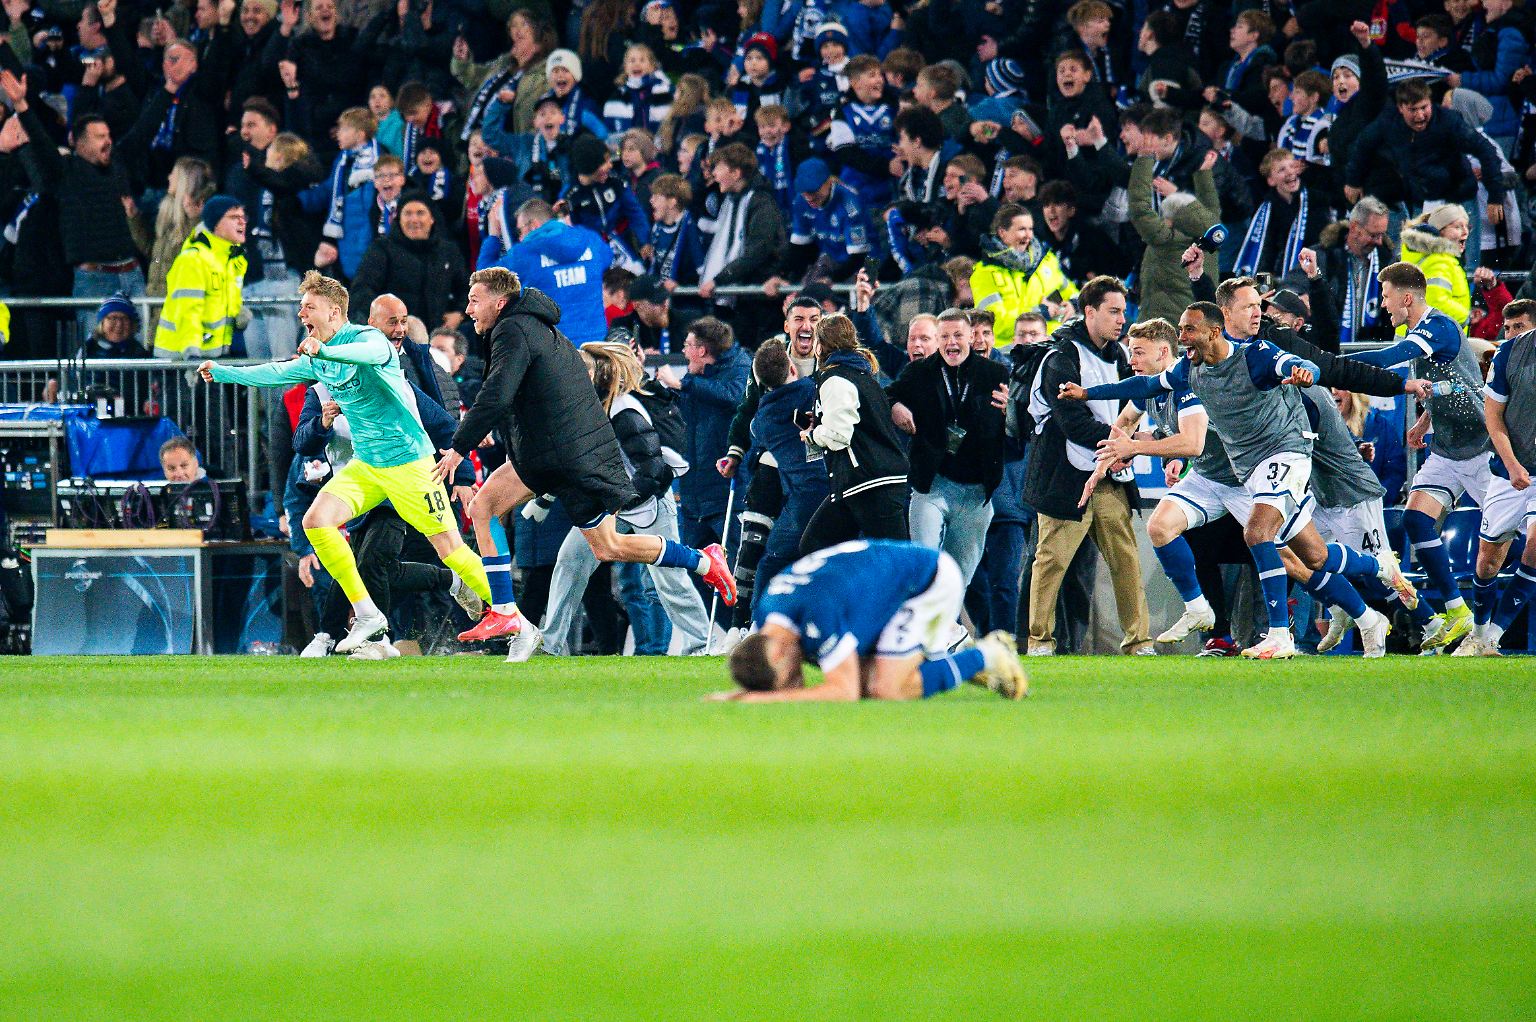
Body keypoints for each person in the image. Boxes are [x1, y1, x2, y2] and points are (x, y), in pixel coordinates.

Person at [1063, 296, 1394, 660]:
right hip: (1226, 474)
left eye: (1189, 329)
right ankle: (1373, 585)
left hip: (1279, 456)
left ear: (1213, 331)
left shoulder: (1250, 356)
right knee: (1311, 555)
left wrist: (1306, 371)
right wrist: (1087, 395)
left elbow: (1194, 439)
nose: (1183, 336)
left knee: (1273, 546)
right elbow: (1136, 400)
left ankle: (1282, 633)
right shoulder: (1185, 370)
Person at [434, 267, 736, 661]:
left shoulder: (513, 329)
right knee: (590, 542)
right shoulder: (534, 328)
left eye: (475, 299)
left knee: (498, 512)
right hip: (562, 455)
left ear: (500, 301)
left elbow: (498, 394)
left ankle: (510, 614)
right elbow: (523, 399)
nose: (469, 308)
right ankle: (700, 559)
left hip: (565, 459)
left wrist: (460, 446)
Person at [198, 271, 493, 655]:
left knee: (449, 548)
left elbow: (369, 356)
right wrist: (223, 372)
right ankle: (366, 616)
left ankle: (510, 612)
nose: (301, 313)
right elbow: (277, 372)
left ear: (334, 312)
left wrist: (325, 352)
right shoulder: (320, 359)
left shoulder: (366, 338)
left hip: (409, 463)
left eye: (308, 306)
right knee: (317, 522)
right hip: (368, 466)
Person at [1350, 261, 1490, 650]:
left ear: (1406, 298)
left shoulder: (1439, 327)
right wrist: (1426, 421)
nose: (1384, 305)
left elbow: (1395, 356)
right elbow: (1450, 382)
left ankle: (1490, 626)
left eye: (1387, 296)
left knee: (1512, 537)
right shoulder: (1423, 330)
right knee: (1414, 519)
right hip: (1446, 448)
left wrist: (1336, 366)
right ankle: (1457, 609)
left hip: (1482, 448)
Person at [542, 342, 712, 657]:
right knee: (570, 562)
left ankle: (701, 643)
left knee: (668, 577)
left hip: (648, 502)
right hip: (613, 503)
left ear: (598, 374)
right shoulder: (585, 411)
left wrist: (622, 500)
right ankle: (549, 645)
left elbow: (653, 468)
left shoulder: (622, 409)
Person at [713, 540, 1026, 702]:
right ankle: (941, 658)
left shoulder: (815, 613)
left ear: (778, 654)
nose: (796, 685)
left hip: (928, 581)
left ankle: (987, 654)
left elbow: (843, 692)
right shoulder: (772, 611)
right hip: (885, 586)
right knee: (867, 681)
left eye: (788, 679)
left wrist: (761, 702)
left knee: (886, 689)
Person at [1022, 276, 1151, 656]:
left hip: (1108, 474)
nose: (1121, 320)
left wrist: (1126, 443)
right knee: (1051, 562)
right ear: (1089, 312)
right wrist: (1121, 443)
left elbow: (1134, 406)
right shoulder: (1060, 357)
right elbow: (1070, 420)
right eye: (1113, 311)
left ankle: (1139, 641)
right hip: (1066, 477)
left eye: (1123, 312)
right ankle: (1039, 641)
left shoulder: (1121, 357)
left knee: (1126, 559)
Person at [886, 308, 1010, 587]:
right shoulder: (919, 372)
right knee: (923, 565)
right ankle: (922, 629)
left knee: (958, 579)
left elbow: (1022, 423)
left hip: (977, 490)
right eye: (945, 336)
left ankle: (944, 629)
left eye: (957, 335)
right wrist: (896, 406)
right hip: (932, 484)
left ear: (970, 337)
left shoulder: (996, 373)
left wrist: (1011, 411)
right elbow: (889, 394)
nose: (951, 343)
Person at [798, 314, 911, 552]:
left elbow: (839, 436)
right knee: (815, 547)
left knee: (895, 560)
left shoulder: (835, 378)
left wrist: (812, 435)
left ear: (820, 345)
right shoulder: (863, 375)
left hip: (868, 483)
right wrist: (821, 420)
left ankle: (928, 590)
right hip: (861, 483)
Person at [1460, 322, 1536, 655]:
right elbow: (1494, 417)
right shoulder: (1510, 352)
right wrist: (1512, 464)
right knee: (1487, 563)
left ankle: (1495, 633)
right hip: (1508, 474)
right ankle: (1477, 631)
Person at [478, 197, 612, 344]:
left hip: (554, 351)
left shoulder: (523, 254)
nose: (520, 238)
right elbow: (607, 258)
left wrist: (493, 235)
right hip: (597, 345)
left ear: (534, 225)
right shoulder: (590, 240)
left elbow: (484, 280)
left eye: (520, 231)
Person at [349, 197, 468, 333]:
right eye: (407, 213)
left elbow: (465, 288)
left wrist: (459, 313)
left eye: (420, 213)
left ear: (432, 219)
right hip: (393, 336)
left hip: (437, 337)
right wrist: (386, 319)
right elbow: (362, 289)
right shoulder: (381, 249)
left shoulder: (448, 251)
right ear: (399, 219)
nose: (414, 219)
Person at [153, 195, 251, 360]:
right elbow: (188, 311)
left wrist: (238, 314)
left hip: (212, 356)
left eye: (243, 217)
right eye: (234, 217)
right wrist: (191, 354)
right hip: (179, 359)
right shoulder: (194, 259)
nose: (242, 222)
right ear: (216, 223)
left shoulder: (234, 259)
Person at [971, 204, 1078, 345]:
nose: (1029, 236)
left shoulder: (1046, 261)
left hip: (1054, 349)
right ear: (1002, 232)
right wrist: (1040, 313)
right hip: (1011, 357)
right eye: (1022, 229)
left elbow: (1072, 293)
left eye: (1030, 229)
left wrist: (1072, 304)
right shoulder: (985, 274)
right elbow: (994, 324)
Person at [80, 293, 150, 359]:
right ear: (102, 323)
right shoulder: (87, 351)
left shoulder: (140, 354)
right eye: (113, 318)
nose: (119, 324)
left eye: (124, 319)